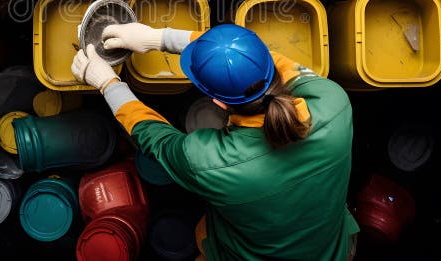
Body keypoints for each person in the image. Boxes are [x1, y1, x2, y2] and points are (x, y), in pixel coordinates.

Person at [71, 22, 359, 261]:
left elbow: (155, 137)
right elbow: (268, 61)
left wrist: (107, 83)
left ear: (218, 103)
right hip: (333, 251)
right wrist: (157, 37)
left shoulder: (210, 163)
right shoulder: (333, 102)